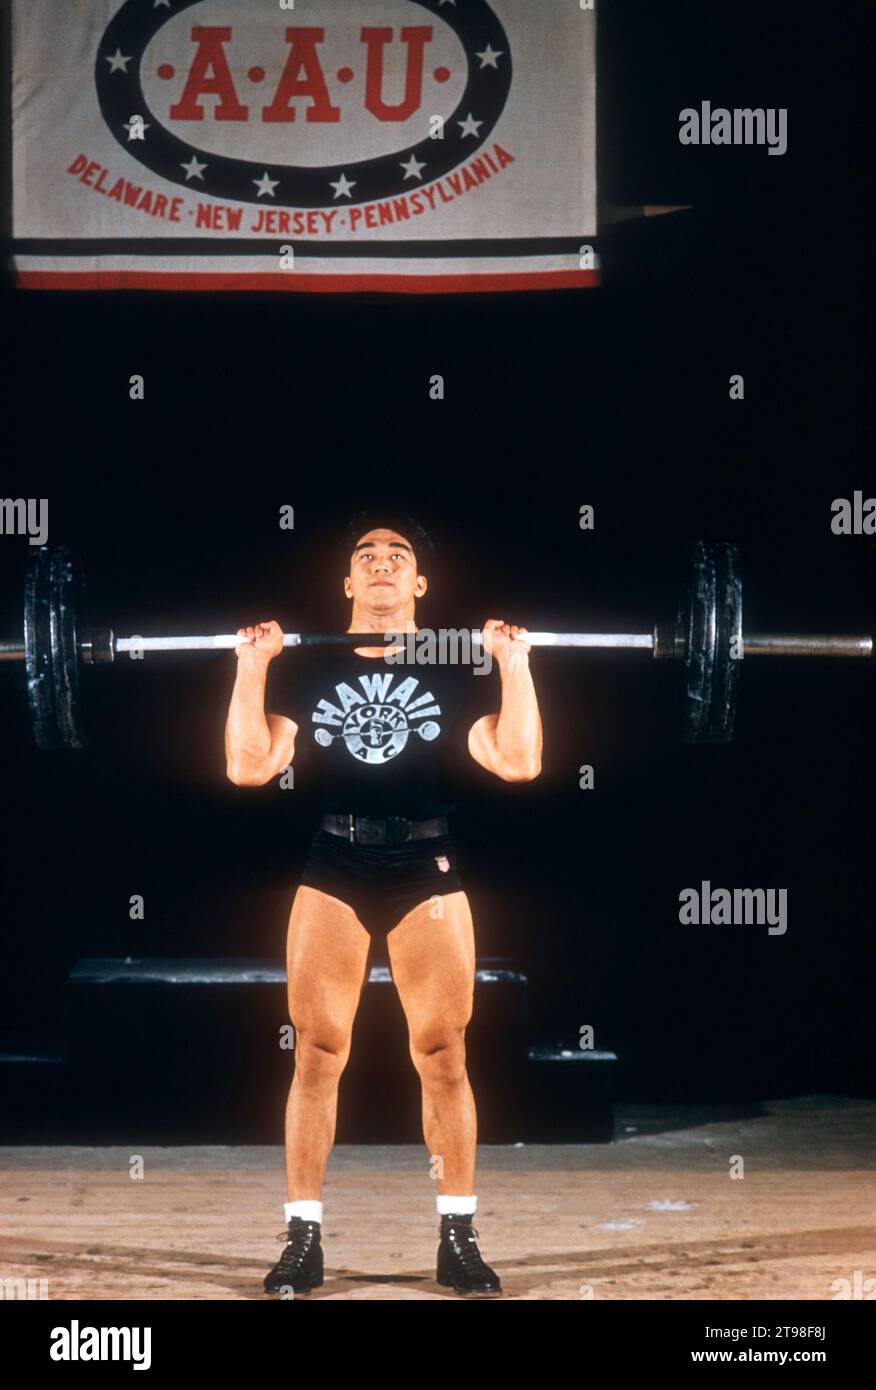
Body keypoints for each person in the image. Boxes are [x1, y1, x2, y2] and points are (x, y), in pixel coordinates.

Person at [224, 512, 542, 1297]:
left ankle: (457, 1240)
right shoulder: (305, 661)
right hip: (334, 862)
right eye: (365, 555)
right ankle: (303, 1239)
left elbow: (520, 760)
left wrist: (515, 664)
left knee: (443, 1055)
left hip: (426, 869)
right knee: (317, 1055)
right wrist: (250, 667)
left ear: (419, 584)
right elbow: (247, 766)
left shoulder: (458, 662)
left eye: (397, 555)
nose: (381, 563)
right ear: (347, 582)